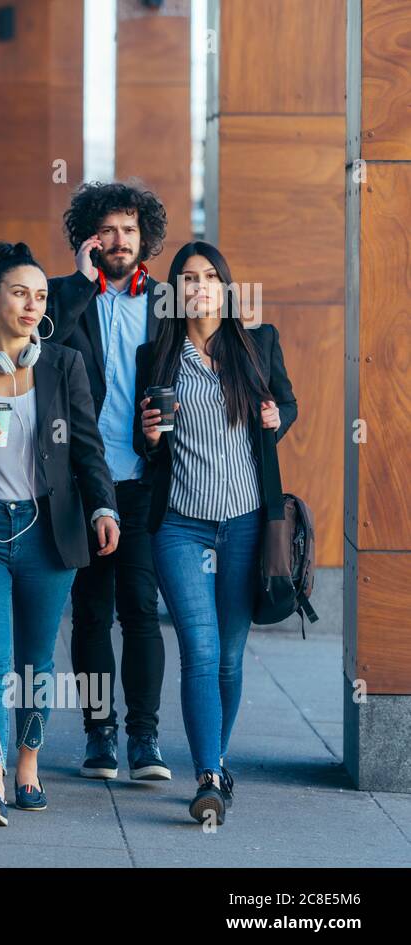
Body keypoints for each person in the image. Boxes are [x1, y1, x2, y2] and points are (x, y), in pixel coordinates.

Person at [0, 242, 118, 825]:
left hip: (47, 531)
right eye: (19, 292)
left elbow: (88, 449)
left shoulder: (64, 365)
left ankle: (28, 768)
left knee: (36, 664)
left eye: (40, 295)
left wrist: (102, 509)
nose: (31, 304)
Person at [135, 241, 296, 825]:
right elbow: (143, 443)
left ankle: (217, 759)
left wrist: (277, 418)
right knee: (200, 651)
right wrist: (150, 437)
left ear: (225, 287)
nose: (199, 286)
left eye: (208, 276)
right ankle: (207, 776)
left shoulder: (258, 344)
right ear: (175, 292)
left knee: (229, 655)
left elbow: (288, 406)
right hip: (180, 524)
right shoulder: (155, 355)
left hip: (247, 522)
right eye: (187, 278)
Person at [46, 180, 172, 782]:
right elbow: (43, 346)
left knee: (141, 610)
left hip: (144, 479)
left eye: (128, 229)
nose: (118, 241)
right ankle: (101, 738)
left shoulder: (165, 301)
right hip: (80, 483)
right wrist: (77, 282)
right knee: (91, 613)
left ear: (144, 237)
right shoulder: (63, 297)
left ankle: (144, 740)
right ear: (89, 238)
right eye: (107, 230)